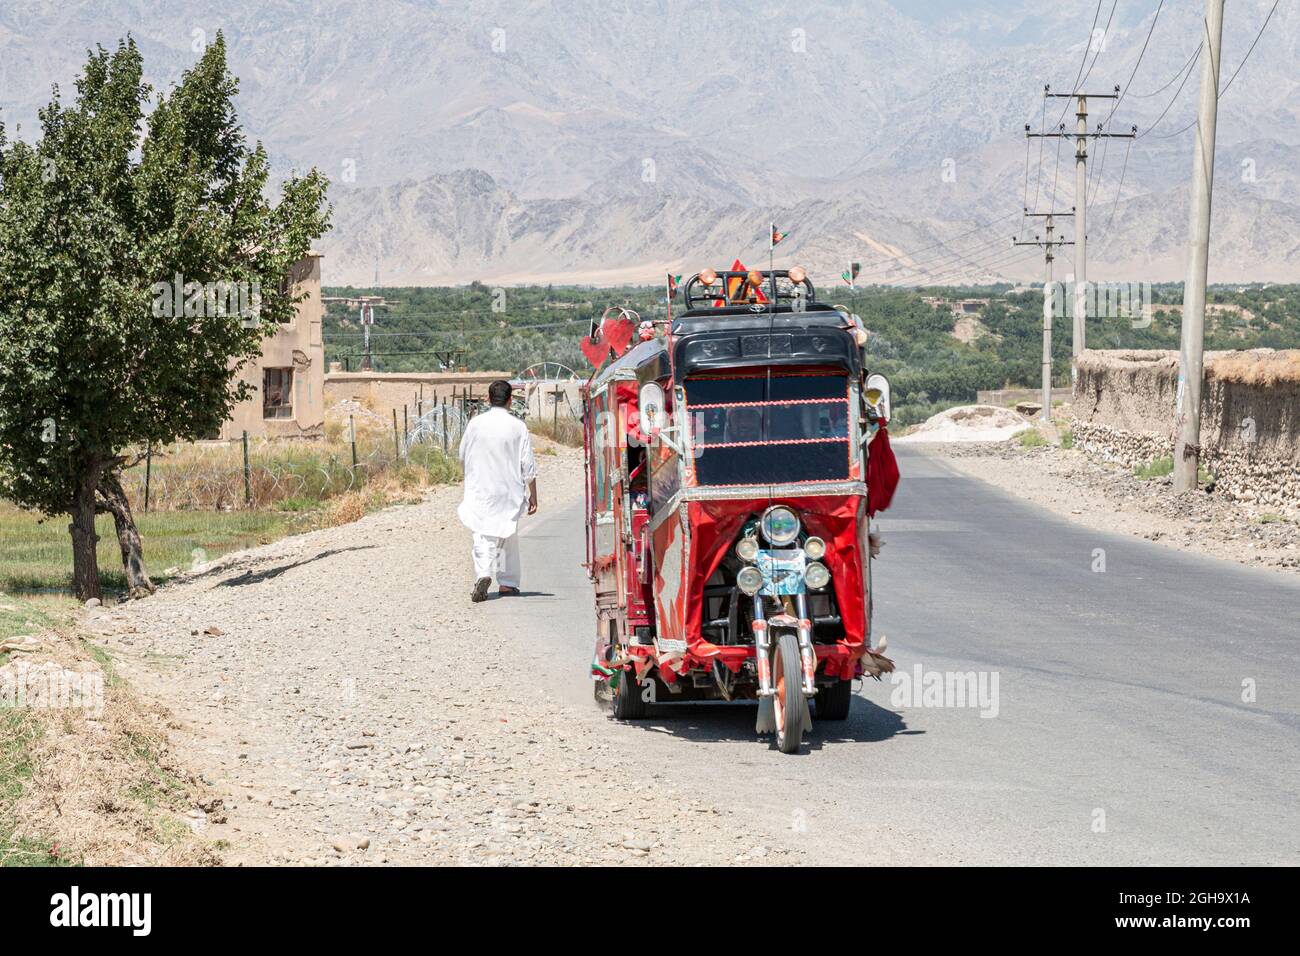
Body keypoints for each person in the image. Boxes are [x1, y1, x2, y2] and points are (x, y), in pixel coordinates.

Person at [457, 380, 538, 601]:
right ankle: (508, 583)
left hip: (481, 488)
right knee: (507, 535)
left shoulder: (475, 424)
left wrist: (470, 476)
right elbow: (527, 465)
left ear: (488, 399)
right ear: (510, 400)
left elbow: (462, 455)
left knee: (483, 533)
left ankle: (483, 573)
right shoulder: (518, 426)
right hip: (509, 491)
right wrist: (533, 494)